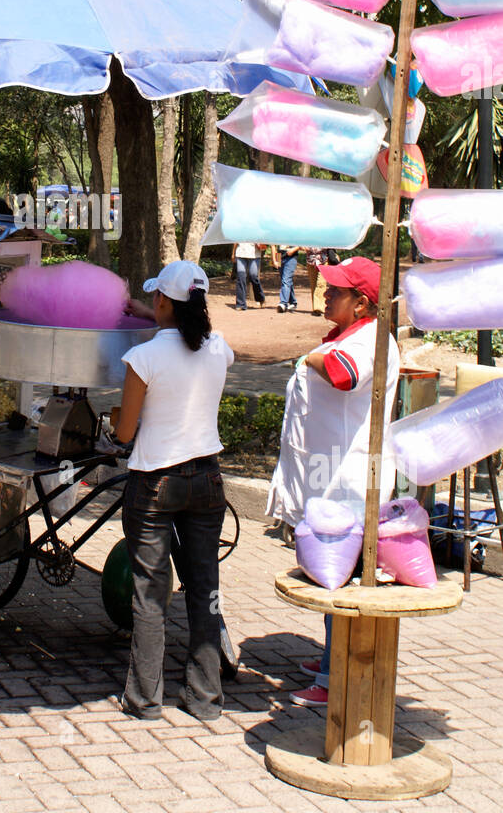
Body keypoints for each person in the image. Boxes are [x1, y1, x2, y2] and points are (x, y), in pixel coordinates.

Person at [266, 257, 400, 707]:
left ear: (362, 304)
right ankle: (329, 660)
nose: (325, 294)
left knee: (339, 578)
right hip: (330, 478)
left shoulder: (370, 342)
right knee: (330, 571)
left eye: (336, 291)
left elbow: (346, 375)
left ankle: (335, 680)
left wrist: (314, 355)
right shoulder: (354, 334)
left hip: (347, 482)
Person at [111, 259, 235, 721]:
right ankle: (205, 699)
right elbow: (193, 335)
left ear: (163, 300)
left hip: (155, 484)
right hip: (207, 481)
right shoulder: (219, 348)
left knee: (150, 591)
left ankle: (145, 699)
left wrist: (114, 428)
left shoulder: (143, 359)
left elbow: (125, 434)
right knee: (203, 588)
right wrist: (155, 313)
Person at [232, 241, 266, 310]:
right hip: (240, 254)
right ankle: (240, 304)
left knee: (253, 275)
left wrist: (261, 245)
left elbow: (264, 245)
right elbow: (236, 241)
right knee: (241, 276)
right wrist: (233, 254)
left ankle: (260, 298)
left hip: (254, 255)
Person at [277, 244, 301, 312]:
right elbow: (274, 247)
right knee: (285, 281)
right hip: (279, 256)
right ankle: (293, 302)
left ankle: (283, 303)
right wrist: (275, 259)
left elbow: (301, 244)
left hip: (291, 257)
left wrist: (294, 249)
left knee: (286, 280)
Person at [305, 248, 328, 316]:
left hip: (323, 260)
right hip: (311, 260)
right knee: (313, 284)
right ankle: (317, 307)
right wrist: (304, 247)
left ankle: (318, 308)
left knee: (321, 283)